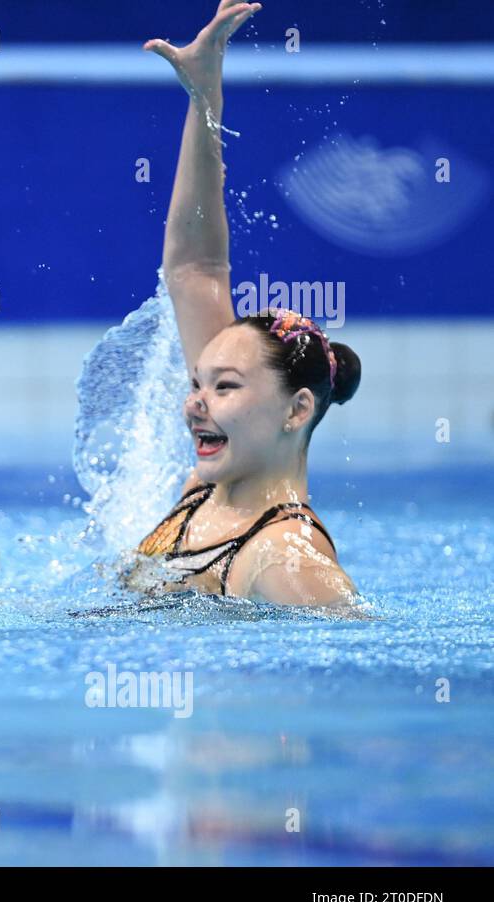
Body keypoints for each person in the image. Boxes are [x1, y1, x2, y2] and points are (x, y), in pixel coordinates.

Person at [131, 0, 361, 606]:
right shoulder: (204, 494)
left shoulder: (287, 559)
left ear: (296, 410)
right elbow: (194, 266)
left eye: (225, 387)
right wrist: (203, 101)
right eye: (199, 383)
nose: (195, 405)